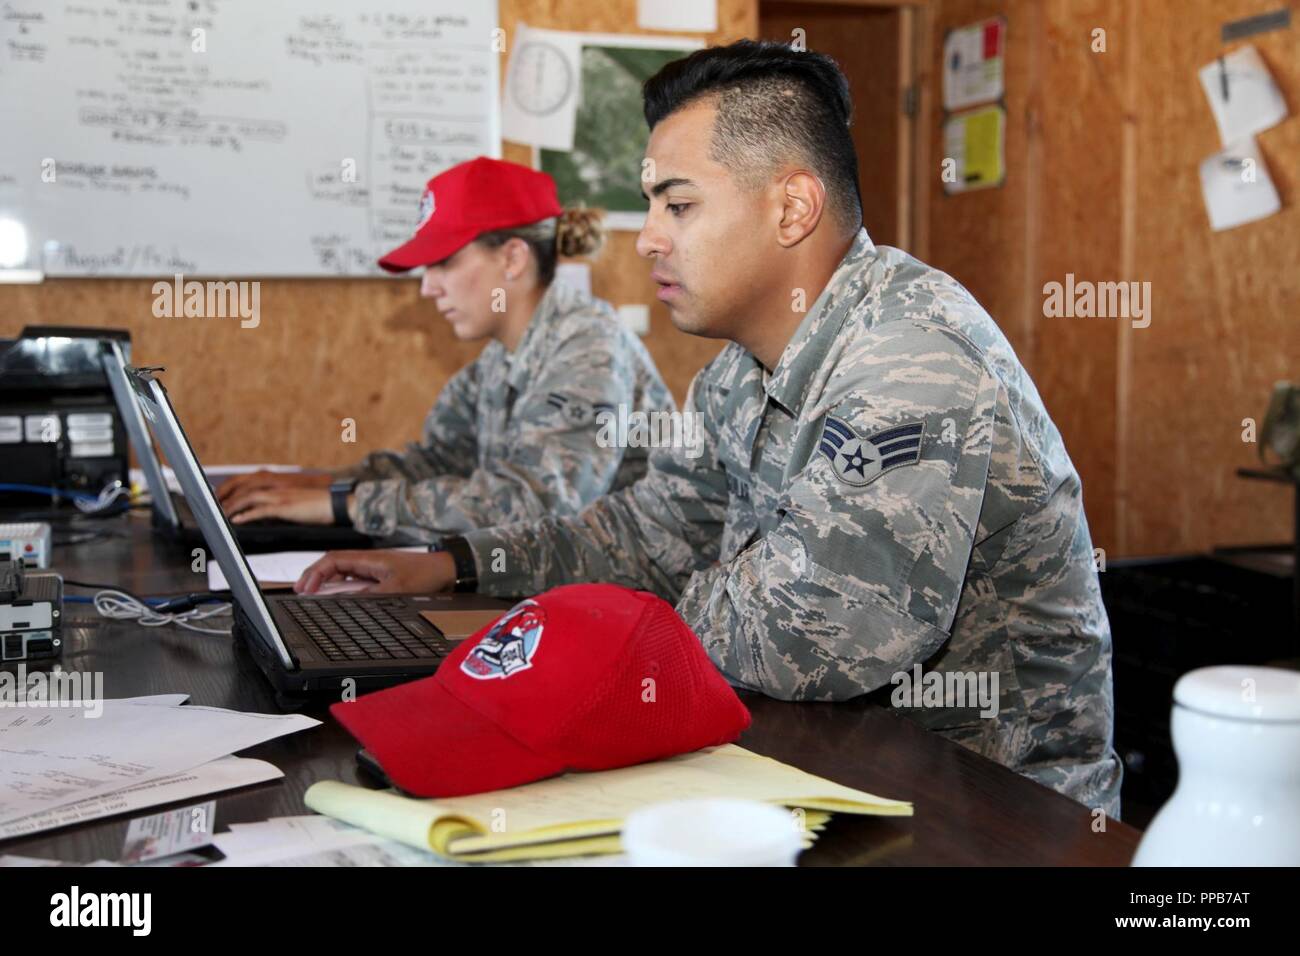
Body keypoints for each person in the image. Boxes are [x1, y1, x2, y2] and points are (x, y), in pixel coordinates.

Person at [297, 42, 1123, 817]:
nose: (649, 238)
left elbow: (807, 635)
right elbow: (648, 532)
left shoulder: (911, 353)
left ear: (793, 206)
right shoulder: (736, 369)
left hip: (992, 810)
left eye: (677, 204)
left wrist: (593, 623)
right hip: (828, 763)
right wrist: (455, 563)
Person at [219, 157, 674, 543]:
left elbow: (537, 506)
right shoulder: (502, 356)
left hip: (630, 611)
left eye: (443, 262)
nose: (427, 287)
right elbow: (437, 463)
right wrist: (314, 484)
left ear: (512, 258)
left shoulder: (590, 348)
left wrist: (346, 505)